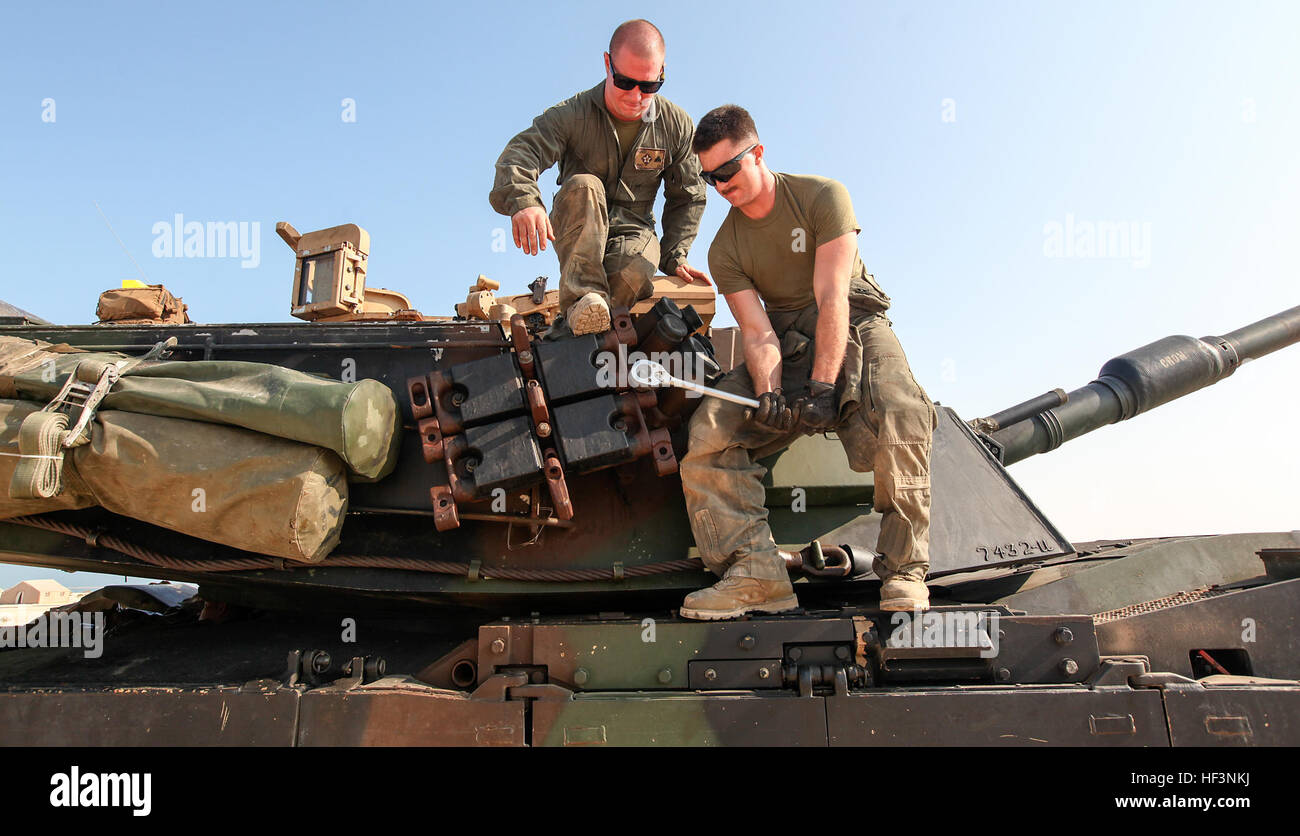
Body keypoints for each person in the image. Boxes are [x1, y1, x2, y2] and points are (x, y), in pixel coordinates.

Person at [679, 105, 938, 620]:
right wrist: (771, 392)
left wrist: (822, 390)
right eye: (708, 178)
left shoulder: (822, 196)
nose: (718, 187)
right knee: (711, 431)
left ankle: (905, 570)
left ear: (758, 153)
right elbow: (757, 332)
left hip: (854, 324)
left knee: (900, 409)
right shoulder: (725, 249)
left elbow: (833, 295)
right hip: (788, 341)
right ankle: (756, 574)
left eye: (726, 172)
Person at [488, 19, 708, 336]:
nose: (636, 96)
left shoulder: (676, 125)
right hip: (580, 220)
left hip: (635, 228)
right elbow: (522, 152)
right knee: (585, 184)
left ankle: (576, 329)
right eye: (625, 82)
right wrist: (525, 201)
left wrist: (675, 255)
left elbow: (689, 195)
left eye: (649, 86)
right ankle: (583, 300)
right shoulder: (572, 115)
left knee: (636, 270)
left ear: (662, 73)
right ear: (607, 64)